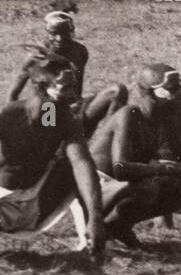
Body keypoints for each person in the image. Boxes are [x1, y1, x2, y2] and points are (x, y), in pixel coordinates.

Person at [0, 51, 106, 261]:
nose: (74, 93)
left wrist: (96, 219)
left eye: (73, 85)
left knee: (77, 169)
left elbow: (82, 165)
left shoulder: (60, 117)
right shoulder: (11, 115)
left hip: (35, 205)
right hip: (3, 205)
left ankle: (90, 248)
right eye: (66, 87)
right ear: (42, 87)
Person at [88, 64, 181, 249]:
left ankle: (118, 226)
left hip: (120, 184)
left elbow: (178, 157)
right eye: (171, 90)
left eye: (178, 89)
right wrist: (166, 168)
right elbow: (120, 169)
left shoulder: (164, 115)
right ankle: (105, 228)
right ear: (151, 91)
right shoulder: (129, 115)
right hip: (96, 187)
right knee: (149, 187)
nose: (177, 94)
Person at [7, 11, 125, 138]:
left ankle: (102, 139)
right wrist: (12, 122)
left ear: (72, 32)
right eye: (53, 34)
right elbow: (13, 93)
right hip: (47, 112)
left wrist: (77, 107)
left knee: (117, 91)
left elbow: (76, 85)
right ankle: (54, 146)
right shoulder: (35, 57)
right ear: (47, 33)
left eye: (64, 33)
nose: (59, 38)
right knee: (49, 105)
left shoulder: (79, 51)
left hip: (72, 110)